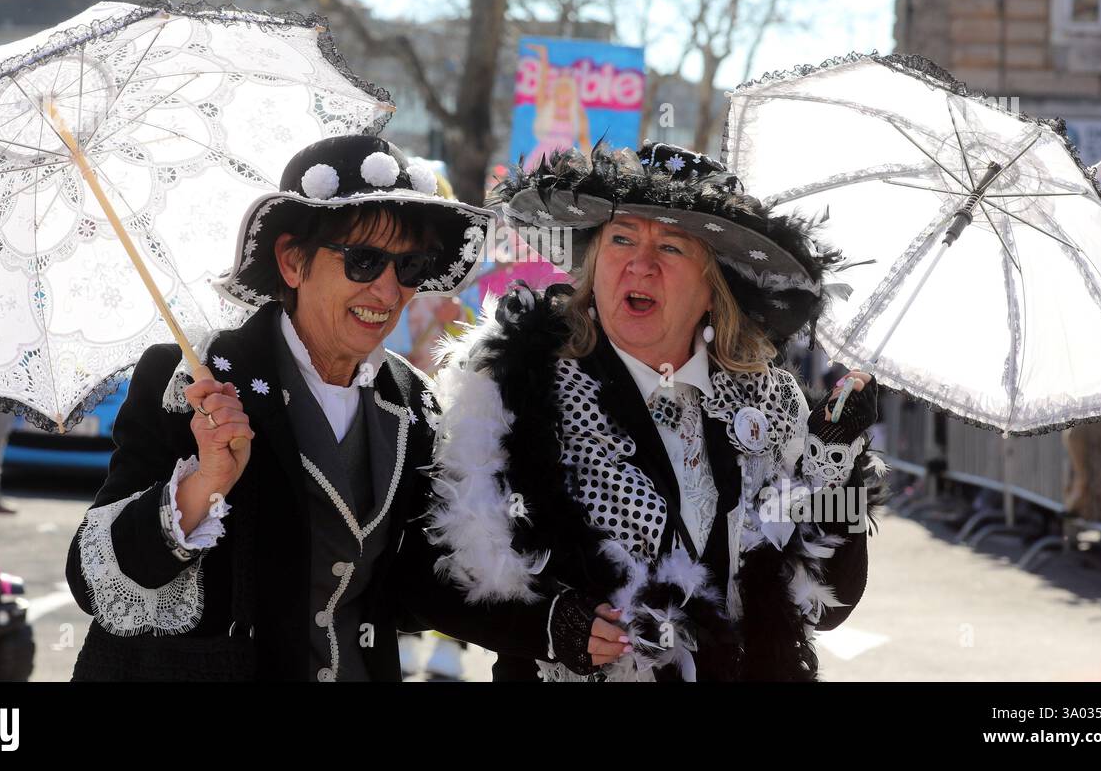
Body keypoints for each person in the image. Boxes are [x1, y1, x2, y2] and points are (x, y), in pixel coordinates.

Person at [424, 142, 887, 680]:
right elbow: (446, 575)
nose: (639, 265)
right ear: (593, 267)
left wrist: (839, 457)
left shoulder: (772, 400)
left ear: (714, 289)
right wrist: (553, 627)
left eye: (670, 248)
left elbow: (826, 602)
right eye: (620, 239)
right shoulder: (519, 391)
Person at [65, 135, 500, 680]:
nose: (389, 292)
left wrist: (559, 621)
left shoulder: (414, 402)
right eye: (364, 261)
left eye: (409, 266)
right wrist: (204, 483)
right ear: (293, 262)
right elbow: (92, 580)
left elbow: (413, 588)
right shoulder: (189, 381)